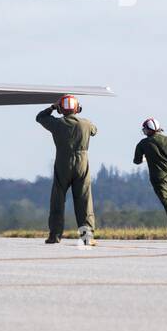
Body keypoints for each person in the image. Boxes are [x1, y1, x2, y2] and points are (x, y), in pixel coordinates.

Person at [37, 94, 97, 245]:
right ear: (77, 108)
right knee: (84, 201)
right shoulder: (86, 124)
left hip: (63, 161)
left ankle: (55, 236)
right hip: (82, 162)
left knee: (58, 199)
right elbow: (94, 131)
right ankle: (87, 238)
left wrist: (52, 107)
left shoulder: (56, 124)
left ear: (61, 109)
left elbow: (40, 117)